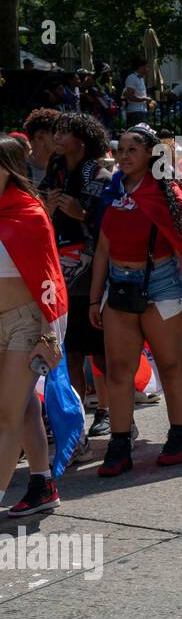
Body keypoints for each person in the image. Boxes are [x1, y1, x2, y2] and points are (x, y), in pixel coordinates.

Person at [88, 127, 182, 475]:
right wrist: (94, 298)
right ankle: (120, 442)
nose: (123, 156)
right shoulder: (112, 190)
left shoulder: (166, 192)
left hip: (163, 285)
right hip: (119, 287)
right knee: (118, 371)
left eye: (132, 149)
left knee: (171, 365)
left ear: (150, 155)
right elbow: (102, 248)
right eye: (120, 149)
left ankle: (178, 436)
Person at [0, 135, 69, 517]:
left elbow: (49, 276)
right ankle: (42, 483)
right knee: (22, 408)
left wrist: (48, 333)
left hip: (27, 322)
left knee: (6, 414)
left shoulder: (29, 211)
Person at [42, 113, 112, 440]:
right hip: (59, 270)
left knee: (98, 348)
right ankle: (75, 415)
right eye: (55, 131)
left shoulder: (98, 174)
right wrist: (49, 206)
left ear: (81, 140)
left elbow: (107, 226)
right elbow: (40, 210)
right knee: (70, 349)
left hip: (90, 271)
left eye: (64, 132)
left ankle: (108, 410)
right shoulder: (55, 171)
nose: (57, 136)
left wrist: (79, 214)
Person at [22, 108, 60, 186]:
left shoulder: (60, 169)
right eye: (57, 132)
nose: (61, 138)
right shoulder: (18, 169)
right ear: (40, 137)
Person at [122, 59, 152, 125]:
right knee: (137, 134)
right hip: (135, 112)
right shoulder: (131, 78)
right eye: (146, 67)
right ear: (141, 67)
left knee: (143, 134)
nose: (148, 69)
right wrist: (145, 99)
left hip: (142, 111)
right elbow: (130, 96)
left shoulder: (141, 79)